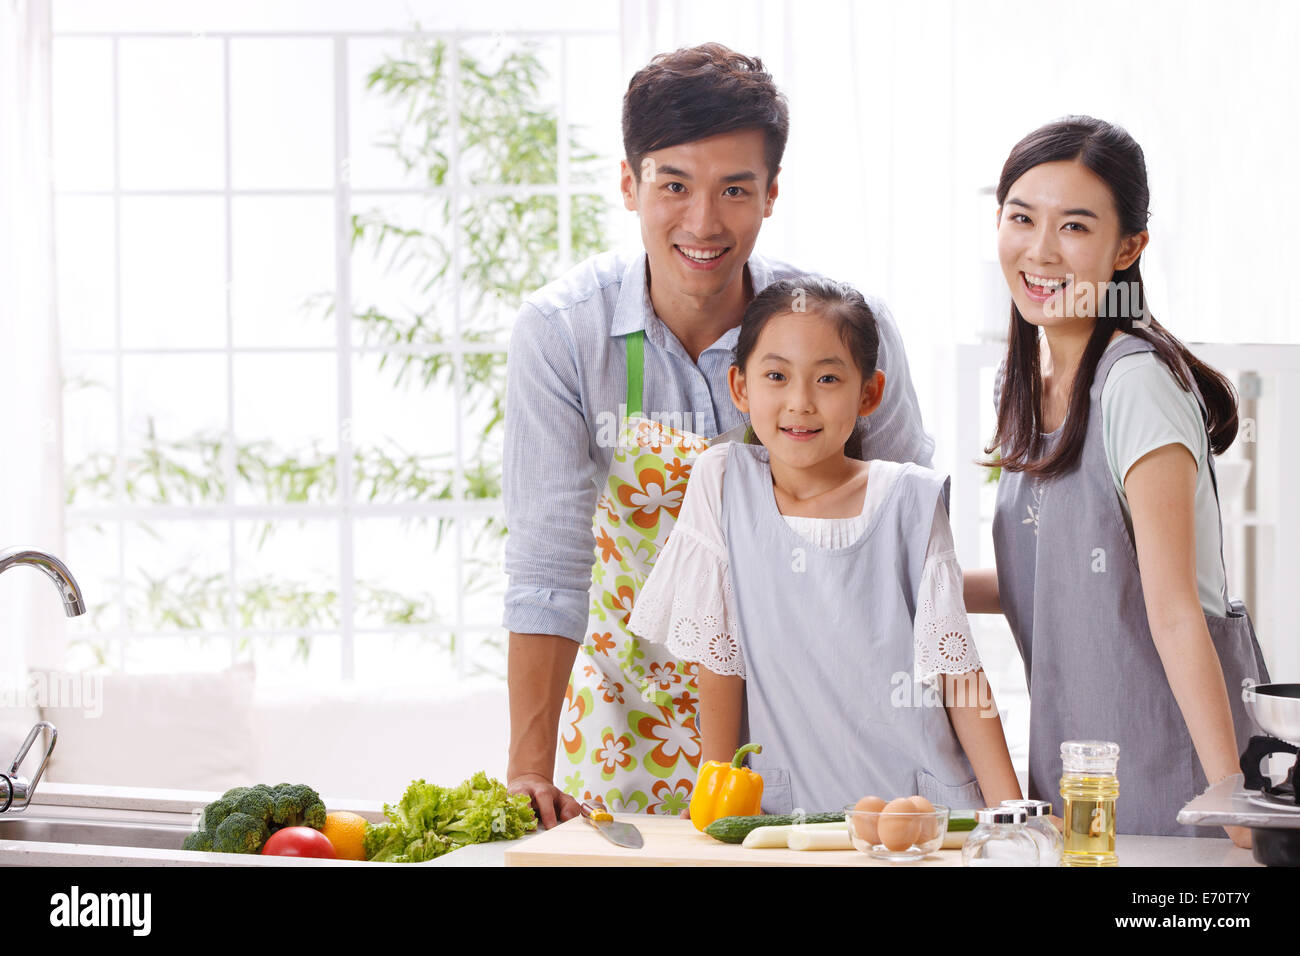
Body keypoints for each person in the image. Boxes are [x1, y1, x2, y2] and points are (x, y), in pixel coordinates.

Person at [503, 44, 934, 827]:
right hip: (633, 726)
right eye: (673, 185)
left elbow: (908, 539)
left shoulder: (847, 329)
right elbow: (547, 570)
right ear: (629, 184)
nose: (703, 223)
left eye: (735, 189)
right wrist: (527, 768)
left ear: (771, 195)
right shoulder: (563, 334)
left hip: (812, 718)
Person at [963, 116, 1270, 842]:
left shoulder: (1135, 384)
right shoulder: (1026, 379)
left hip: (1177, 768)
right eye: (1020, 218)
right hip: (1081, 770)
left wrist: (1233, 809)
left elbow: (1172, 610)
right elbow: (1050, 580)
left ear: (1128, 247)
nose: (1039, 251)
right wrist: (917, 580)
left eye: (1074, 226)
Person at [629, 277, 1023, 813]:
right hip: (789, 815)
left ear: (869, 394)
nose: (800, 403)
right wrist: (714, 802)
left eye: (828, 379)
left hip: (925, 813)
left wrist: (1015, 818)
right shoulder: (721, 480)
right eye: (776, 376)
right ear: (740, 388)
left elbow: (958, 674)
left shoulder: (910, 497)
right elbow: (721, 663)